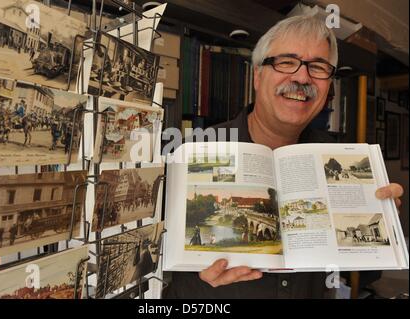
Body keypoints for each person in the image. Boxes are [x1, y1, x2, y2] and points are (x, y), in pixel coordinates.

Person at [163, 15, 404, 299]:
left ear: (329, 86)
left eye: (318, 67)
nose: (302, 77)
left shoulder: (336, 156)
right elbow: (153, 276)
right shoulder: (192, 153)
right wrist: (195, 277)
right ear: (257, 75)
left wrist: (383, 215)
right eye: (286, 62)